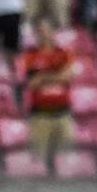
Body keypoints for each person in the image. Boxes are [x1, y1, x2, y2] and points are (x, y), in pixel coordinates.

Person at [22, 19, 74, 161]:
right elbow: (32, 83)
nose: (43, 34)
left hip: (63, 113)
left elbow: (68, 76)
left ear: (53, 32)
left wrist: (44, 76)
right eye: (40, 31)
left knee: (67, 157)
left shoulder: (63, 53)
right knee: (38, 157)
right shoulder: (31, 55)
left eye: (46, 30)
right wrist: (56, 75)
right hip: (40, 115)